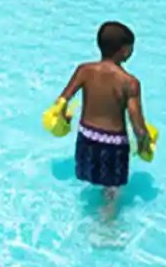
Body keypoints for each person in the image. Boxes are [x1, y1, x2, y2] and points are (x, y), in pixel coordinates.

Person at [50, 21, 151, 217]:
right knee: (112, 190)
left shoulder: (84, 70)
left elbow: (62, 100)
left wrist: (64, 118)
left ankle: (83, 214)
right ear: (124, 51)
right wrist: (144, 141)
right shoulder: (130, 82)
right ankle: (106, 226)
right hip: (113, 143)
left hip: (87, 136)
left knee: (91, 178)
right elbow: (137, 123)